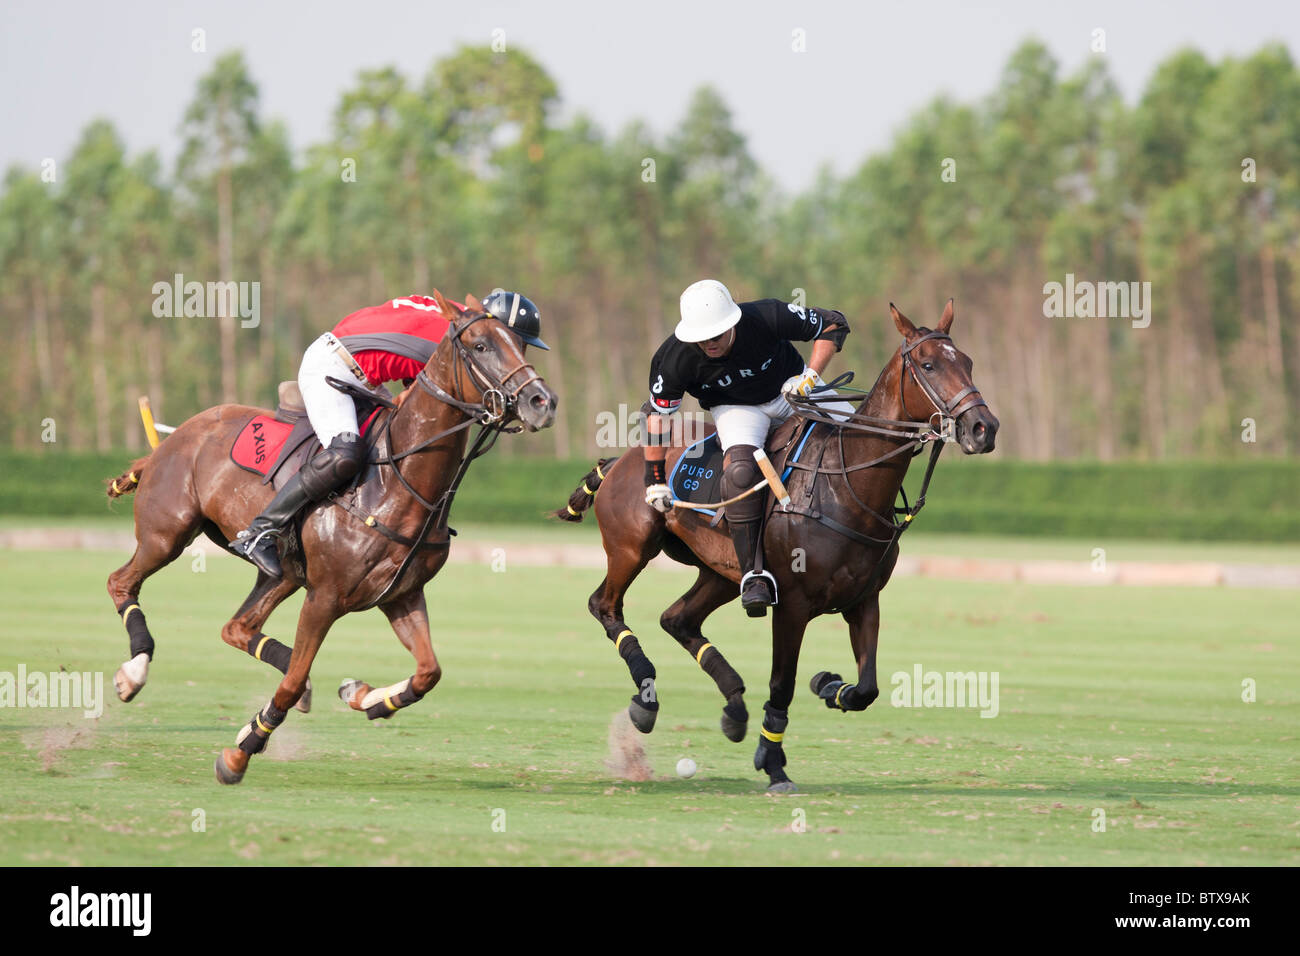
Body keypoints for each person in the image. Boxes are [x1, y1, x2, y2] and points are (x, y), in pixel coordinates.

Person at [229, 289, 547, 578]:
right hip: (332, 366)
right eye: (517, 343)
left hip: (362, 369)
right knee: (345, 453)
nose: (516, 353)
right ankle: (261, 531)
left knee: (391, 442)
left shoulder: (460, 319)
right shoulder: (453, 341)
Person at [642, 279, 853, 616]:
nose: (709, 343)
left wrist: (810, 378)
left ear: (732, 322)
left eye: (716, 335)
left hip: (793, 387)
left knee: (857, 435)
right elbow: (657, 416)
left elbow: (833, 324)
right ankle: (755, 575)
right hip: (737, 408)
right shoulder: (674, 356)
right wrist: (653, 478)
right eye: (701, 338)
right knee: (739, 472)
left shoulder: (765, 316)